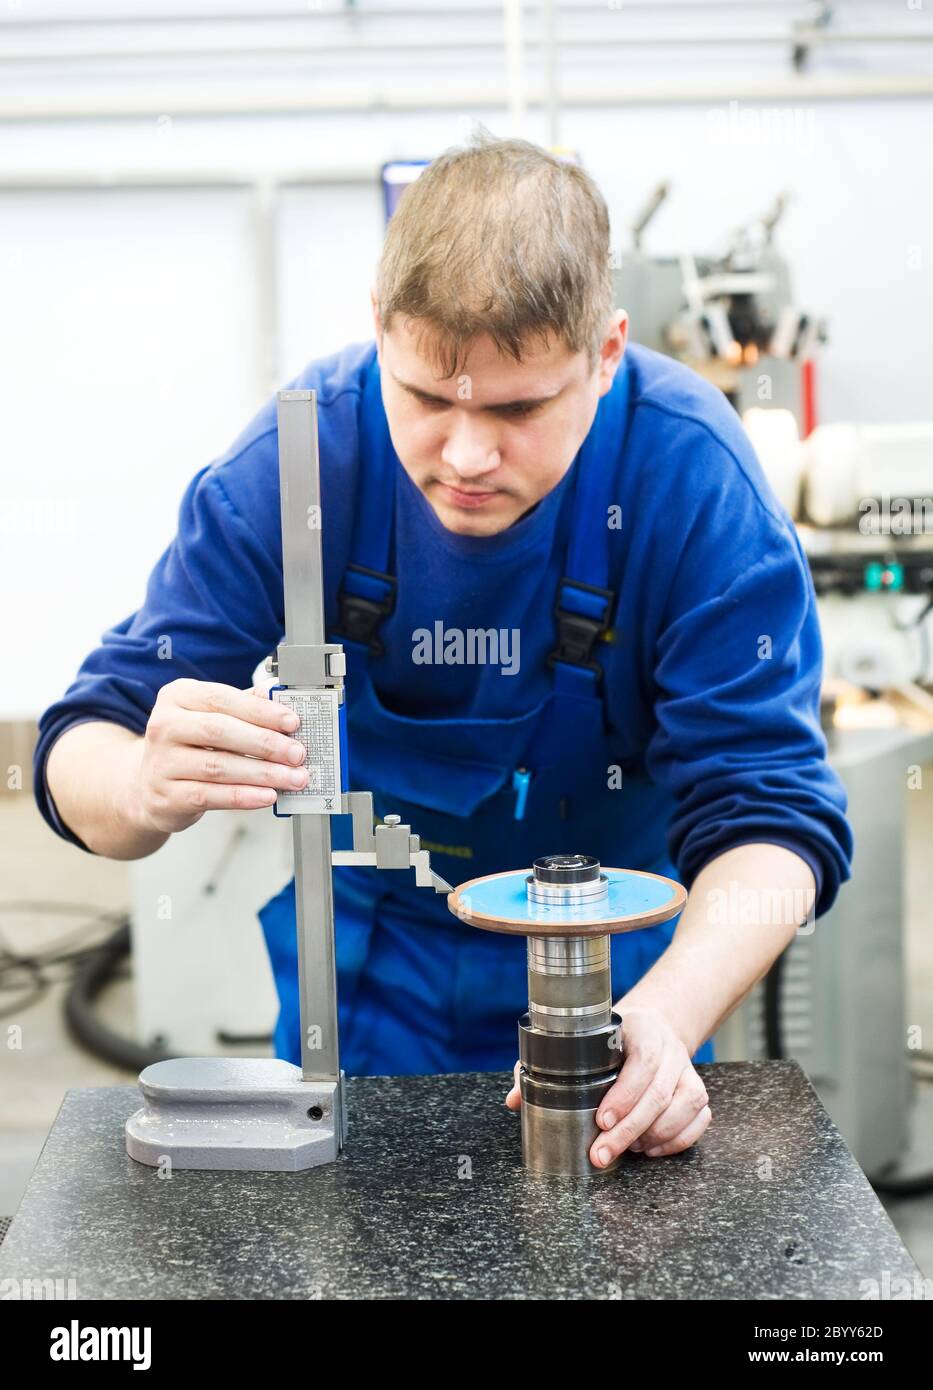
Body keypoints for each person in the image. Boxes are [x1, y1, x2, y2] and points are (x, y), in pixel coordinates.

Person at [35, 133, 852, 1169]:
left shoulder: (690, 479)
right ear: (380, 330)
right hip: (374, 969)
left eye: (518, 410)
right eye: (425, 400)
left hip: (616, 964)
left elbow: (776, 821)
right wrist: (141, 782)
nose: (466, 458)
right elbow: (77, 751)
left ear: (605, 354)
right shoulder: (303, 461)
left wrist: (669, 1016)